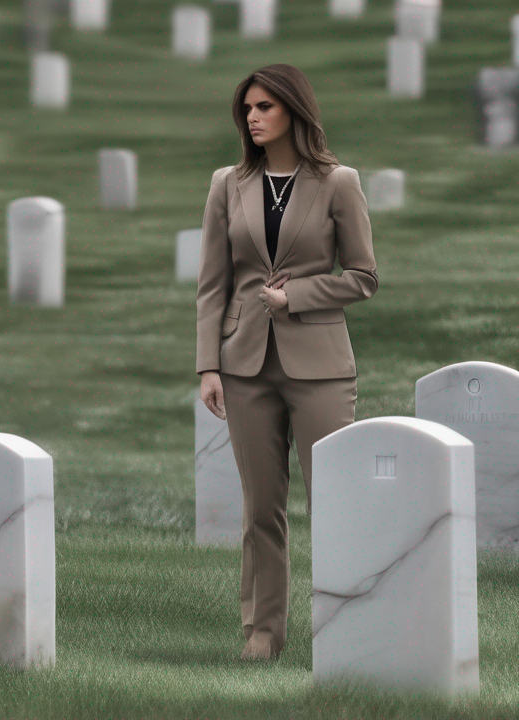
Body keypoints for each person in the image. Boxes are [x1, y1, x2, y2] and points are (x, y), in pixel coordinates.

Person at [195, 64, 378, 660]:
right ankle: (263, 635)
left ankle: (349, 629)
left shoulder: (338, 182)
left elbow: (364, 277)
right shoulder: (227, 183)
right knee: (259, 512)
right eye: (247, 107)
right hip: (245, 366)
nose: (252, 116)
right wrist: (208, 366)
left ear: (295, 111)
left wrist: (295, 296)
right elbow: (212, 285)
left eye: (265, 106)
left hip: (320, 365)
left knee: (335, 501)